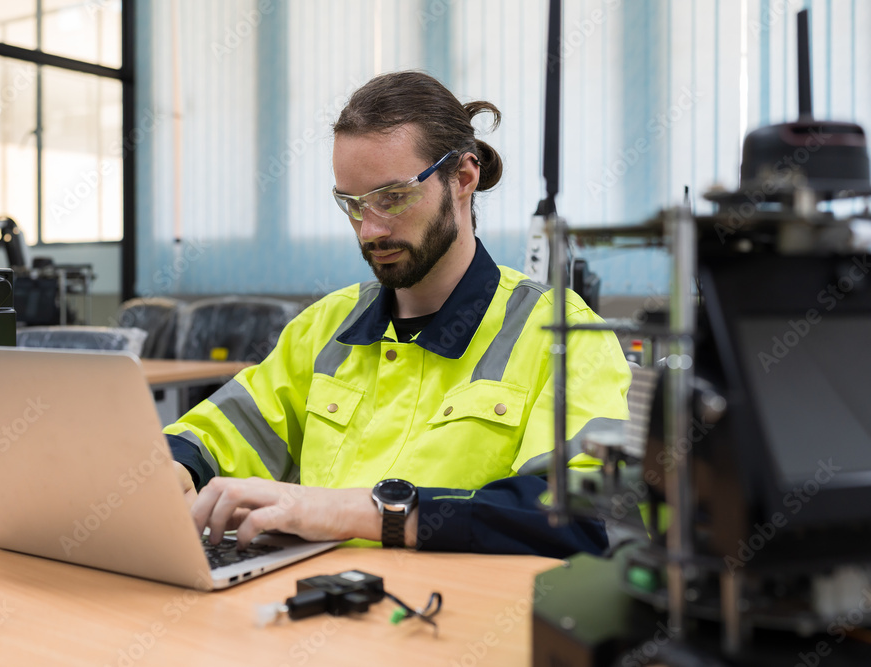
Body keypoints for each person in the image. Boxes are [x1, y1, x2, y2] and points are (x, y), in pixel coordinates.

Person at [165, 71, 631, 557]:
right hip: (310, 601)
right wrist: (174, 469)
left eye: (392, 198)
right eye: (351, 204)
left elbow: (587, 516)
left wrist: (360, 513)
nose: (369, 231)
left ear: (463, 178)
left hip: (444, 617)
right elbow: (213, 432)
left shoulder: (562, 333)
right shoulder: (326, 325)